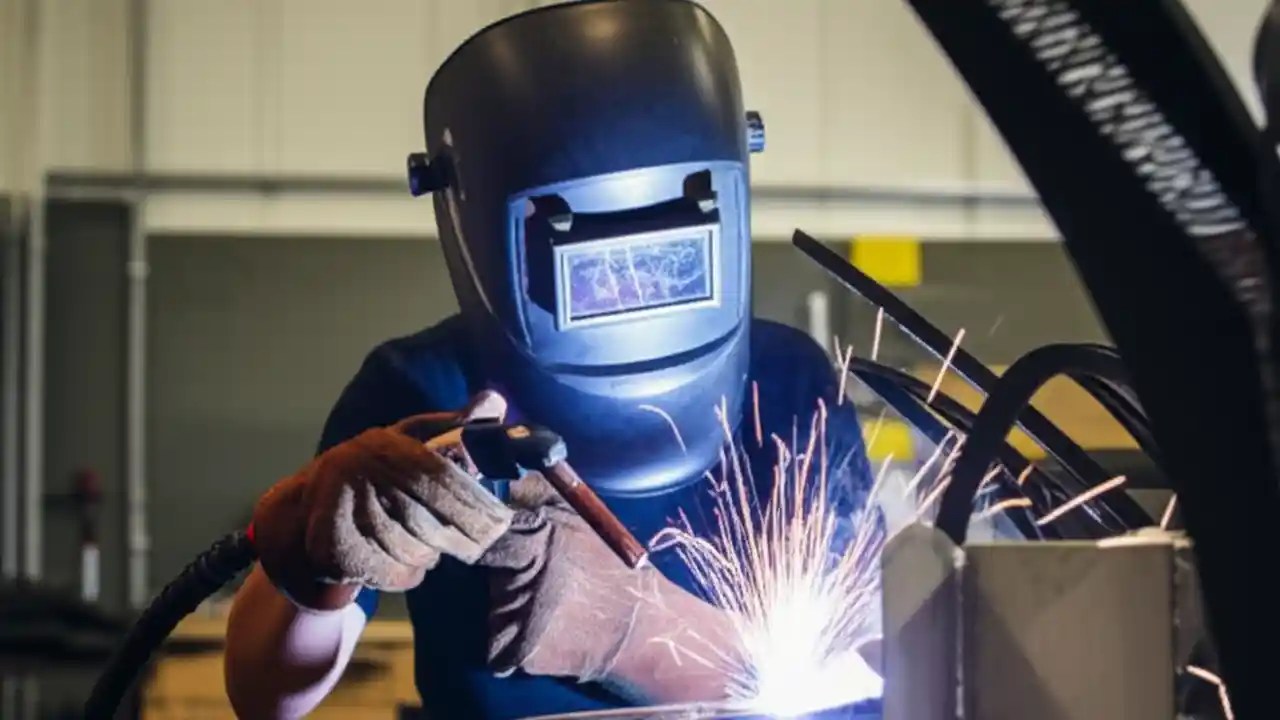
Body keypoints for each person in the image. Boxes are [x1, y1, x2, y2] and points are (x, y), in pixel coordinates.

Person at [223, 1, 873, 718]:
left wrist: (636, 631)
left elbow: (864, 680)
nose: (630, 292)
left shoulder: (788, 384)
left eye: (665, 261)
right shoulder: (418, 395)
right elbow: (263, 699)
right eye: (592, 268)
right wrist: (321, 566)